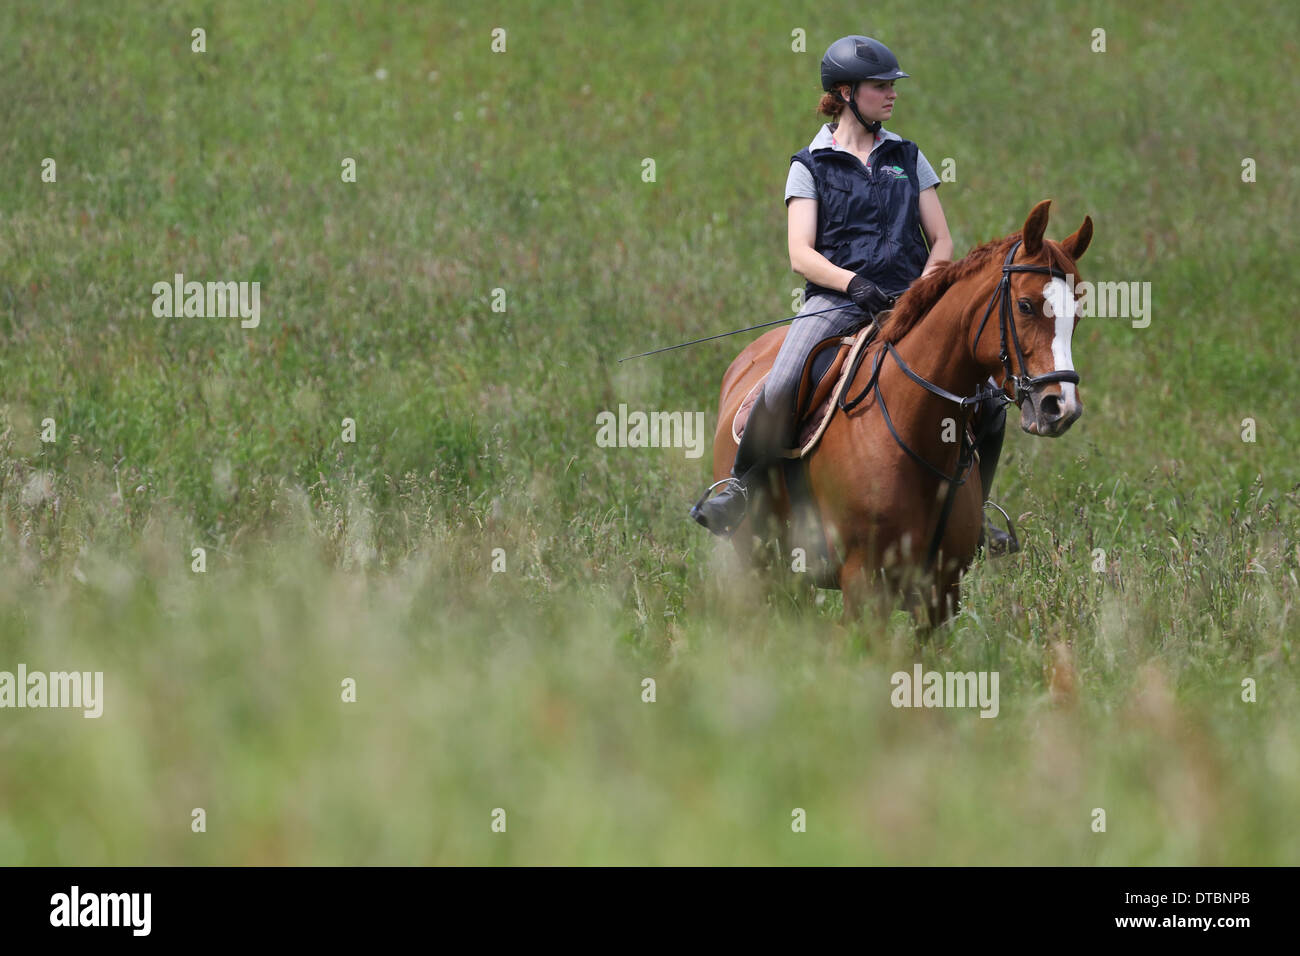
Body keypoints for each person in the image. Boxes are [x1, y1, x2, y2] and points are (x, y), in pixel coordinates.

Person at [690, 35, 1017, 554]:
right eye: (879, 86)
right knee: (785, 378)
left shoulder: (908, 156)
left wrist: (924, 288)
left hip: (911, 301)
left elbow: (942, 240)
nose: (891, 94)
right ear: (845, 93)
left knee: (992, 399)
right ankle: (740, 487)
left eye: (892, 86)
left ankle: (975, 514)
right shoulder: (810, 165)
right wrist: (853, 284)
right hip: (838, 301)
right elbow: (801, 253)